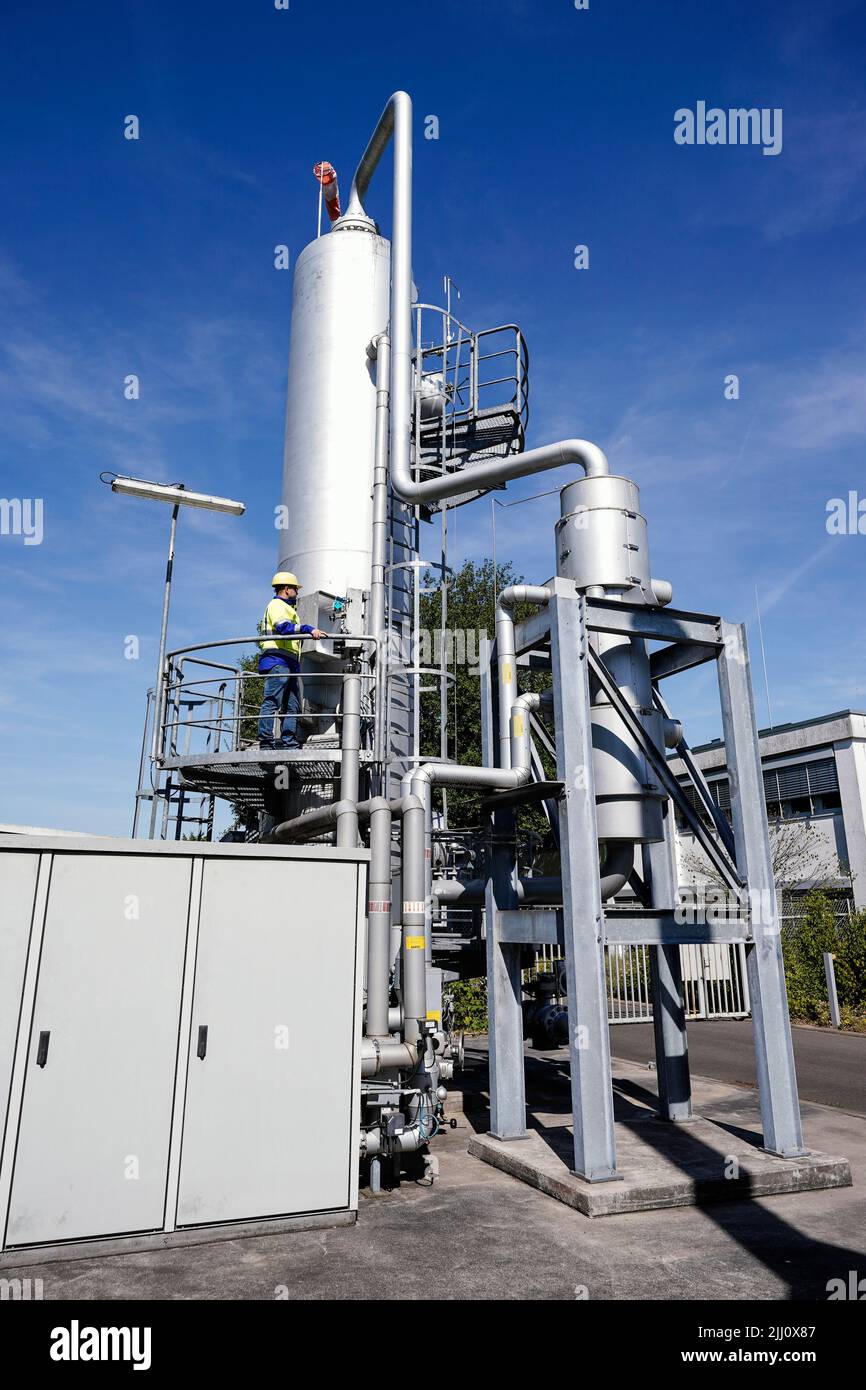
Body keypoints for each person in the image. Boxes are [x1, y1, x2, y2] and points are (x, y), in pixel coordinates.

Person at [256, 572, 324, 750]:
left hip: (290, 663)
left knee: (292, 706)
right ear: (286, 589)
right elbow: (283, 628)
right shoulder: (277, 605)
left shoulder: (288, 608)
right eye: (295, 588)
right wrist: (308, 629)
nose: (297, 592)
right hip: (277, 661)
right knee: (272, 702)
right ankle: (266, 743)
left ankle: (289, 743)